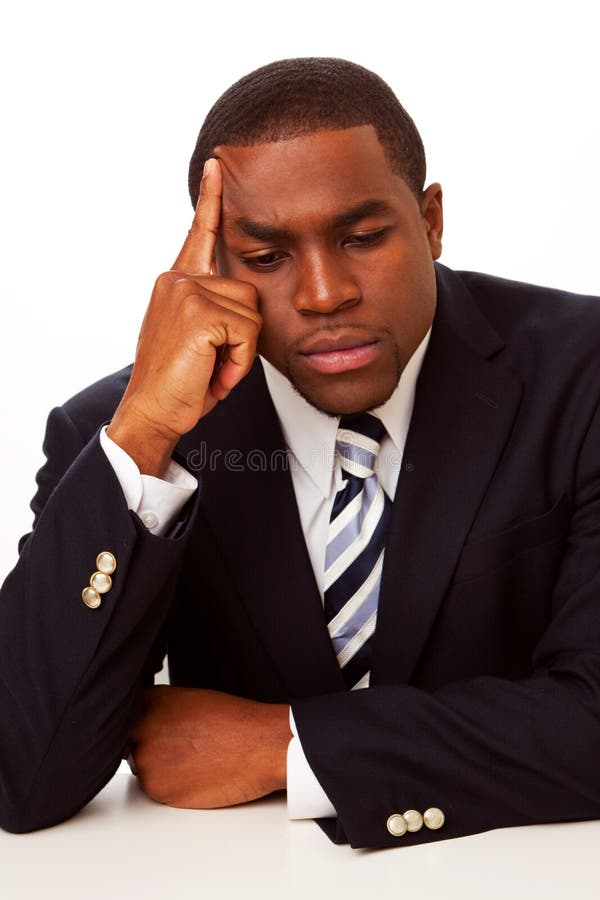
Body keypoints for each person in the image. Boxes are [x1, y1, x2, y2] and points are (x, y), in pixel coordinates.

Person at [1, 57, 599, 850]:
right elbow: (22, 771)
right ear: (214, 268)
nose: (324, 293)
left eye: (362, 237)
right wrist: (144, 428)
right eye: (266, 257)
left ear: (431, 220)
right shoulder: (120, 438)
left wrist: (285, 747)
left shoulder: (583, 376)